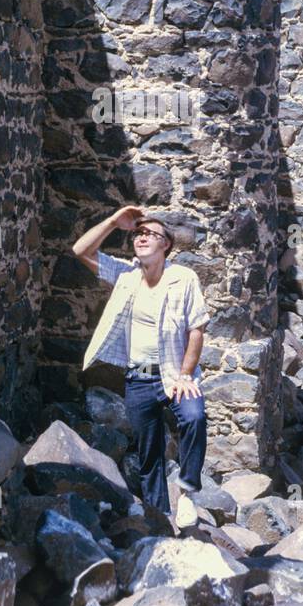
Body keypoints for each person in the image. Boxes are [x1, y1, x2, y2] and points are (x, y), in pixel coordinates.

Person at [71, 204, 210, 528]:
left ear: (166, 244)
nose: (141, 237)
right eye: (138, 233)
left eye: (150, 233)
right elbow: (80, 250)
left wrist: (186, 375)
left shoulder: (183, 278)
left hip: (174, 376)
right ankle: (159, 520)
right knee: (149, 454)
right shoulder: (126, 276)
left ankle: (188, 492)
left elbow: (197, 329)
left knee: (194, 417)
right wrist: (112, 221)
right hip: (139, 378)